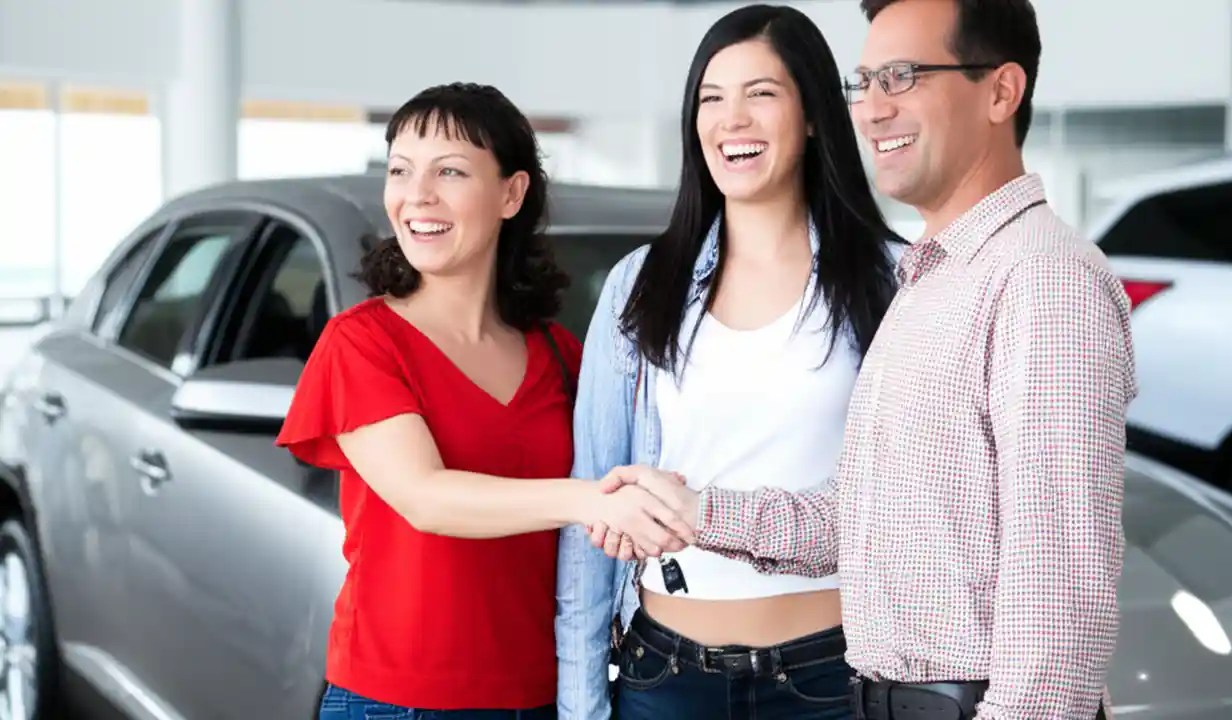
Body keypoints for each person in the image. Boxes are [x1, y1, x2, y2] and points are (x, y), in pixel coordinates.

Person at [599, 1, 1136, 718]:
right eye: (866, 82)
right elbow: (863, 519)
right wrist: (699, 511)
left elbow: (1059, 591)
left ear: (1001, 92)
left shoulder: (1040, 279)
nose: (875, 109)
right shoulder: (933, 279)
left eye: (904, 77)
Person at [275, 82, 694, 720]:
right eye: (400, 171)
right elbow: (427, 497)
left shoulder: (558, 354)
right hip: (397, 704)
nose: (417, 195)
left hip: (546, 698)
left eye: (449, 171)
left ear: (511, 193)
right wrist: (588, 500)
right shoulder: (362, 342)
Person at [555, 5, 902, 720]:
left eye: (761, 95)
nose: (731, 119)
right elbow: (589, 509)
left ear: (811, 117)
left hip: (833, 678)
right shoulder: (640, 285)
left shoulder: (891, 280)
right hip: (664, 677)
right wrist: (582, 706)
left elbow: (912, 505)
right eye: (711, 99)